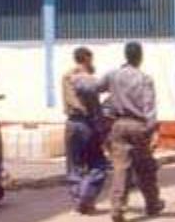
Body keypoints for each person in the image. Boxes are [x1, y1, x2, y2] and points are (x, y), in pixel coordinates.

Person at [77, 42, 164, 222]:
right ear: (140, 57)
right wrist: (152, 130)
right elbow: (149, 106)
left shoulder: (112, 75)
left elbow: (91, 89)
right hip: (139, 126)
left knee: (120, 168)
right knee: (145, 168)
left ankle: (117, 209)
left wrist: (80, 81)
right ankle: (152, 204)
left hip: (118, 125)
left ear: (126, 56)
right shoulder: (145, 78)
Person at [62, 47, 111, 214]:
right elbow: (96, 107)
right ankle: (86, 196)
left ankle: (80, 201)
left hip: (71, 124)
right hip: (87, 124)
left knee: (74, 165)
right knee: (98, 163)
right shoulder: (88, 79)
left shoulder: (66, 77)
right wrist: (102, 129)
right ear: (87, 59)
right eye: (92, 59)